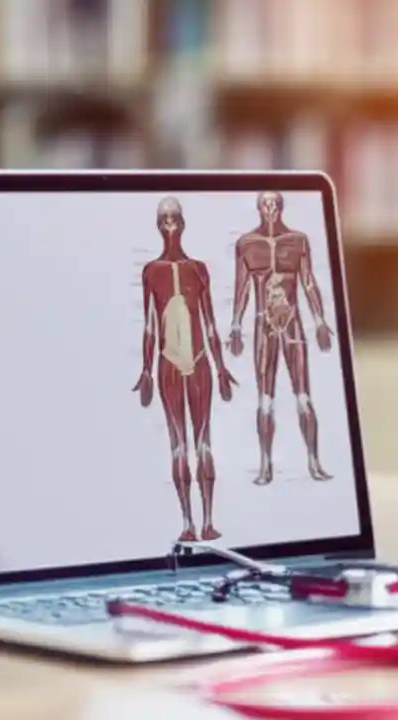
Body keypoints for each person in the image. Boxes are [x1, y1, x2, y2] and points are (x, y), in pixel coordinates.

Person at [134, 196, 237, 543]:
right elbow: (149, 323)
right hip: (169, 363)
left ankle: (207, 522)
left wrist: (221, 368)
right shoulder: (152, 272)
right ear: (157, 224)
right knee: (178, 443)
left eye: (174, 217)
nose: (169, 224)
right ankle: (187, 524)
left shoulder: (198, 269)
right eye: (163, 218)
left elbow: (209, 322)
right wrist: (146, 370)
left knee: (203, 441)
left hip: (200, 362)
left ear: (182, 221)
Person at [228, 191, 335, 485]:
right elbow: (242, 288)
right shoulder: (247, 245)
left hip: (293, 324)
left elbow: (309, 281)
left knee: (303, 396)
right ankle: (265, 466)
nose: (271, 209)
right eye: (266, 204)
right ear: (259, 208)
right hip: (264, 326)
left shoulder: (298, 241)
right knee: (265, 400)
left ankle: (314, 462)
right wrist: (236, 326)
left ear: (282, 206)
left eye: (275, 204)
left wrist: (320, 321)